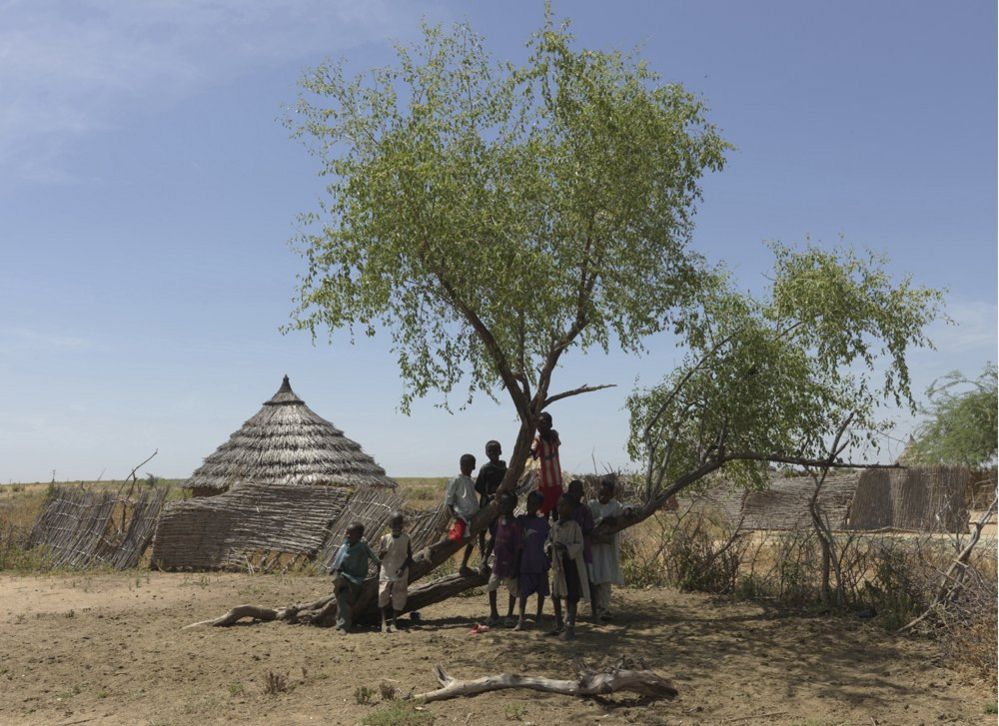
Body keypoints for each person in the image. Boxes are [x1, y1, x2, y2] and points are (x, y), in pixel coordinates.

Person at [546, 496, 589, 640]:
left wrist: (566, 549)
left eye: (564, 505)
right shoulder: (555, 526)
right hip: (558, 566)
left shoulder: (574, 526)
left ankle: (570, 627)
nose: (560, 508)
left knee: (571, 596)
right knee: (556, 594)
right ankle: (559, 624)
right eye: (559, 505)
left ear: (571, 508)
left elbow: (579, 544)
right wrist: (549, 547)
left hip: (570, 565)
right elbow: (549, 540)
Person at [329, 521, 380, 634]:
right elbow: (339, 558)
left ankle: (343, 625)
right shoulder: (345, 546)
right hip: (344, 576)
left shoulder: (362, 547)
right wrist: (334, 568)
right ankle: (341, 623)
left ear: (359, 536)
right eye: (347, 533)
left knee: (343, 598)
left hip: (356, 579)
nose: (348, 535)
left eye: (351, 533)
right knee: (342, 597)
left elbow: (375, 559)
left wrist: (379, 573)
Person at [588, 479, 627, 622]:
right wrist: (602, 520)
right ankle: (596, 609)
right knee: (595, 579)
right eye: (601, 492)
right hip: (594, 548)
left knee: (605, 578)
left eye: (606, 493)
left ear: (611, 495)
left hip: (607, 549)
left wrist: (627, 511)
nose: (602, 496)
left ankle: (604, 608)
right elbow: (588, 524)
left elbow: (625, 508)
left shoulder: (615, 505)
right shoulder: (592, 505)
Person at [483, 492, 521, 626]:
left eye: (507, 504)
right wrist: (485, 559)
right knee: (492, 586)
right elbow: (492, 540)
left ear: (514, 505)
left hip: (510, 562)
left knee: (512, 590)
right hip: (497, 562)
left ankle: (510, 615)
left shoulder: (515, 524)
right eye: (502, 503)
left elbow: (518, 548)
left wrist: (515, 566)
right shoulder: (498, 521)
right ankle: (494, 614)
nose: (503, 506)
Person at [514, 490, 550, 631]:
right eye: (529, 502)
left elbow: (548, 540)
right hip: (526, 562)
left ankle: (539, 616)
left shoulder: (543, 523)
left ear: (539, 506)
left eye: (534, 504)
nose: (530, 506)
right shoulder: (521, 521)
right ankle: (521, 619)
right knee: (523, 593)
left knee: (541, 592)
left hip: (539, 561)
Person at [377, 511, 413, 633]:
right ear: (390, 525)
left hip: (400, 571)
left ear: (402, 525)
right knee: (383, 594)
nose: (397, 527)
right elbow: (379, 557)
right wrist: (382, 553)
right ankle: (383, 622)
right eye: (394, 524)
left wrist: (402, 568)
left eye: (399, 524)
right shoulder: (384, 538)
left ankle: (393, 622)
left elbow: (409, 557)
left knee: (399, 595)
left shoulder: (406, 538)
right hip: (386, 570)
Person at [444, 453, 479, 576]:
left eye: (469, 465)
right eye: (464, 465)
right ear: (460, 466)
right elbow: (449, 499)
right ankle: (435, 548)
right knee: (456, 536)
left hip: (473, 516)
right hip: (462, 516)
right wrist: (454, 514)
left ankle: (463, 565)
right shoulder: (456, 480)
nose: (466, 468)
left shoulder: (471, 481)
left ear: (473, 467)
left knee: (472, 541)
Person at [474, 440, 507, 559]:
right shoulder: (485, 468)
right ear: (486, 453)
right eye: (490, 451)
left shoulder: (504, 467)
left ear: (500, 451)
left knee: (496, 531)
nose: (492, 453)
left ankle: (487, 558)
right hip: (486, 504)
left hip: (500, 505)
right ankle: (482, 556)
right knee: (482, 531)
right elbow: (478, 486)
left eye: (495, 450)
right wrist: (488, 495)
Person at [531, 412, 563, 518]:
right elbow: (533, 451)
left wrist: (553, 433)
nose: (539, 426)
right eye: (538, 424)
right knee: (546, 510)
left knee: (557, 509)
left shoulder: (554, 437)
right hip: (545, 483)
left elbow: (557, 440)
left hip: (557, 480)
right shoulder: (538, 440)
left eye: (543, 423)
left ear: (550, 425)